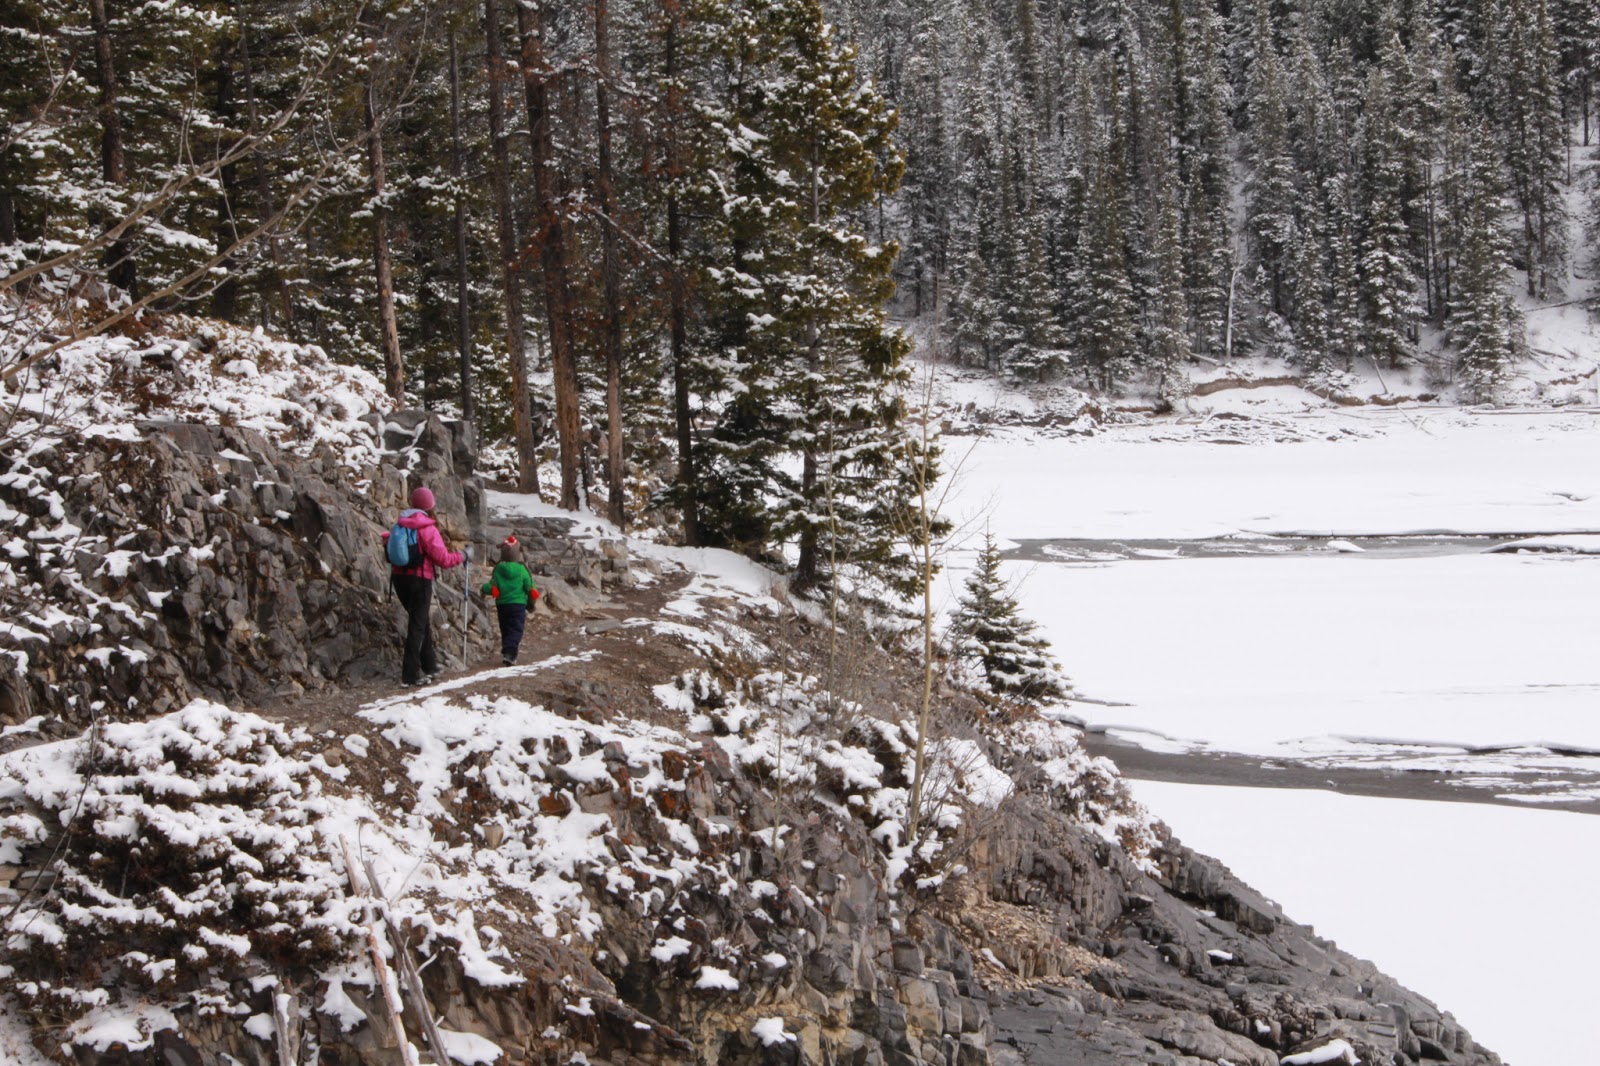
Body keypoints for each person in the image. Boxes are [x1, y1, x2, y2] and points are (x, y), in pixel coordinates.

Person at [385, 486, 470, 686]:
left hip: (399, 579)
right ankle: (410, 676)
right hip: (419, 581)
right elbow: (443, 559)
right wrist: (463, 556)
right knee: (417, 625)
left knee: (420, 621)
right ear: (429, 506)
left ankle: (430, 665)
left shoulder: (401, 524)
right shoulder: (427, 528)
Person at [480, 535, 539, 665]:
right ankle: (510, 654)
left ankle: (507, 650)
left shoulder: (498, 569)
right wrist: (531, 604)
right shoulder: (522, 570)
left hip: (502, 605)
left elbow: (492, 586)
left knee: (505, 628)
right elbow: (530, 588)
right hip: (518, 605)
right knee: (516, 629)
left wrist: (483, 589)